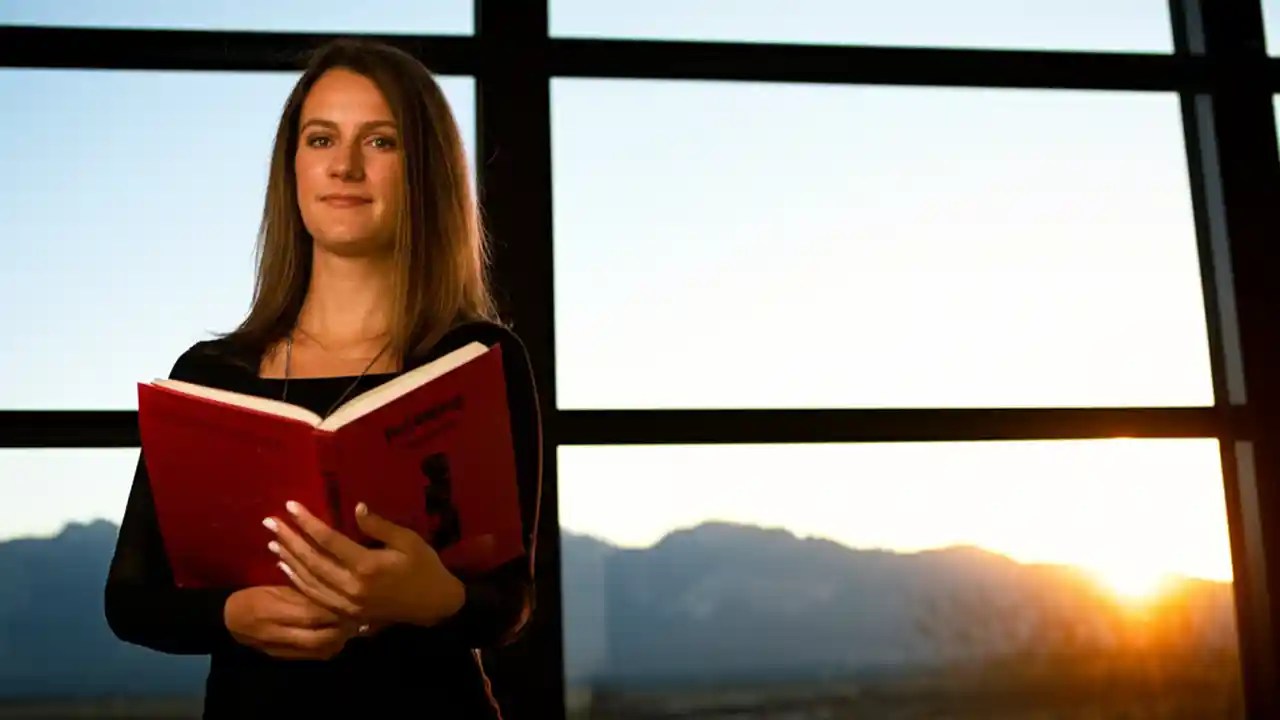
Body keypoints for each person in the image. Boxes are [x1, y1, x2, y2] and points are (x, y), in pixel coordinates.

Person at [103, 37, 542, 718]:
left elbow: (510, 602)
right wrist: (231, 616)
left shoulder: (476, 357)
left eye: (381, 143)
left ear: (425, 171)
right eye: (320, 139)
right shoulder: (208, 374)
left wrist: (435, 598)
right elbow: (132, 598)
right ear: (292, 165)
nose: (344, 166)